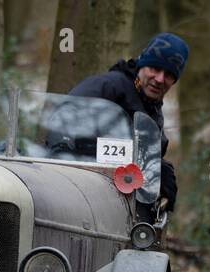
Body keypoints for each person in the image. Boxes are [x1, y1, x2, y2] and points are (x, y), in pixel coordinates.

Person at [67, 32, 187, 211]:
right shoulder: (109, 86)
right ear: (142, 64)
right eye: (155, 68)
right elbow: (65, 117)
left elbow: (141, 156)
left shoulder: (152, 106)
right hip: (81, 194)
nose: (160, 79)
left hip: (121, 208)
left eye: (169, 75)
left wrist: (162, 172)